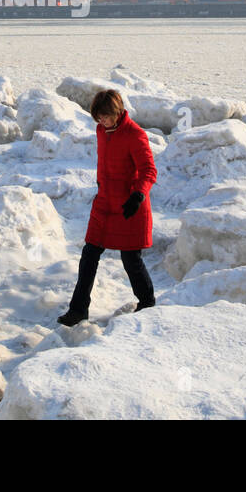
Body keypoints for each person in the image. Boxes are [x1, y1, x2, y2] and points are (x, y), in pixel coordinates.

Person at [57, 88, 156, 326]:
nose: (102, 121)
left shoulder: (135, 134)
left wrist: (139, 194)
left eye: (106, 116)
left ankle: (148, 304)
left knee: (131, 260)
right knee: (89, 255)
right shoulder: (102, 130)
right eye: (98, 116)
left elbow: (149, 170)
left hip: (129, 205)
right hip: (104, 203)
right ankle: (78, 309)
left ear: (118, 111)